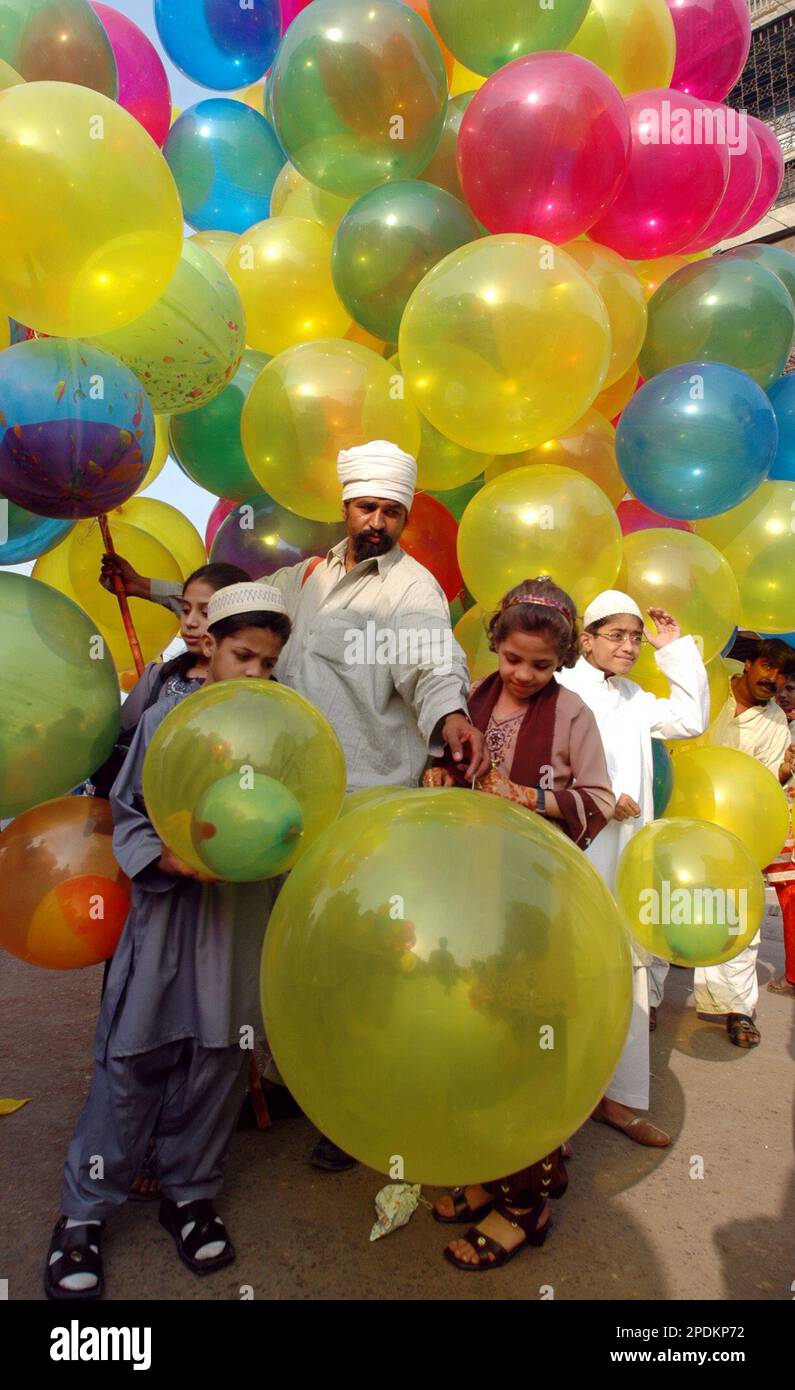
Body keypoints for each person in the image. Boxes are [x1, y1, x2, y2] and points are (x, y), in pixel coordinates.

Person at [102, 440, 490, 1173]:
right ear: (344, 506)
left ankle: (354, 1109)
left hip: (365, 813)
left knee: (359, 968)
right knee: (289, 962)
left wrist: (451, 720)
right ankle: (291, 1084)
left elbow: (435, 664)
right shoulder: (305, 578)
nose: (376, 520)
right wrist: (146, 584)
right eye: (365, 506)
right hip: (287, 814)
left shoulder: (410, 590)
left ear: (404, 515)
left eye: (390, 511)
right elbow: (225, 607)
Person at [44, 583, 292, 1300]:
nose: (255, 673)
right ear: (208, 646)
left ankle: (188, 1194)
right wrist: (167, 856)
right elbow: (125, 813)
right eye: (243, 655)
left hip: (239, 916)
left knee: (218, 1054)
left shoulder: (282, 727)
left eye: (269, 662)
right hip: (167, 913)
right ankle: (83, 1214)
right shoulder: (160, 721)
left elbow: (295, 811)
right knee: (133, 1053)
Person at [424, 577, 616, 1270]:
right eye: (512, 659)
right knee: (473, 1044)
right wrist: (442, 778)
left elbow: (596, 800)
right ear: (495, 646)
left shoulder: (573, 716)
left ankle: (523, 1205)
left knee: (519, 1055)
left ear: (562, 658)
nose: (523, 675)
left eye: (539, 664)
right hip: (469, 898)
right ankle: (491, 1172)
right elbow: (448, 760)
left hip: (531, 908)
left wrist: (526, 795)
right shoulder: (472, 697)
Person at [557, 590, 709, 1147]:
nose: (628, 646)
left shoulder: (635, 697)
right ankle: (560, 1106)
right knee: (568, 971)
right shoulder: (562, 688)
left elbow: (691, 719)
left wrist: (674, 652)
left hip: (628, 855)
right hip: (575, 851)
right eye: (616, 635)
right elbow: (543, 767)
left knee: (627, 968)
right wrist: (598, 798)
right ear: (587, 638)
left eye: (636, 637)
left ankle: (617, 1099)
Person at [652, 640, 795, 1048]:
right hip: (678, 814)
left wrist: (782, 772)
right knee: (659, 903)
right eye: (767, 668)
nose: (774, 681)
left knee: (737, 917)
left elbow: (764, 785)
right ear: (746, 664)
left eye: (782, 677)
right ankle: (646, 1000)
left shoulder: (775, 725)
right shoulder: (710, 684)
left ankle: (735, 1009)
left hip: (732, 830)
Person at [92, 562, 249, 799]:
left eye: (205, 613)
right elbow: (114, 741)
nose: (190, 622)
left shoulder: (256, 689)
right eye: (185, 610)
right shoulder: (158, 677)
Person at [764, 653, 795, 997]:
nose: (784, 694)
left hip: (786, 831)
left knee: (790, 899)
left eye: (791, 688)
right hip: (775, 823)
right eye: (781, 689)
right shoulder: (776, 723)